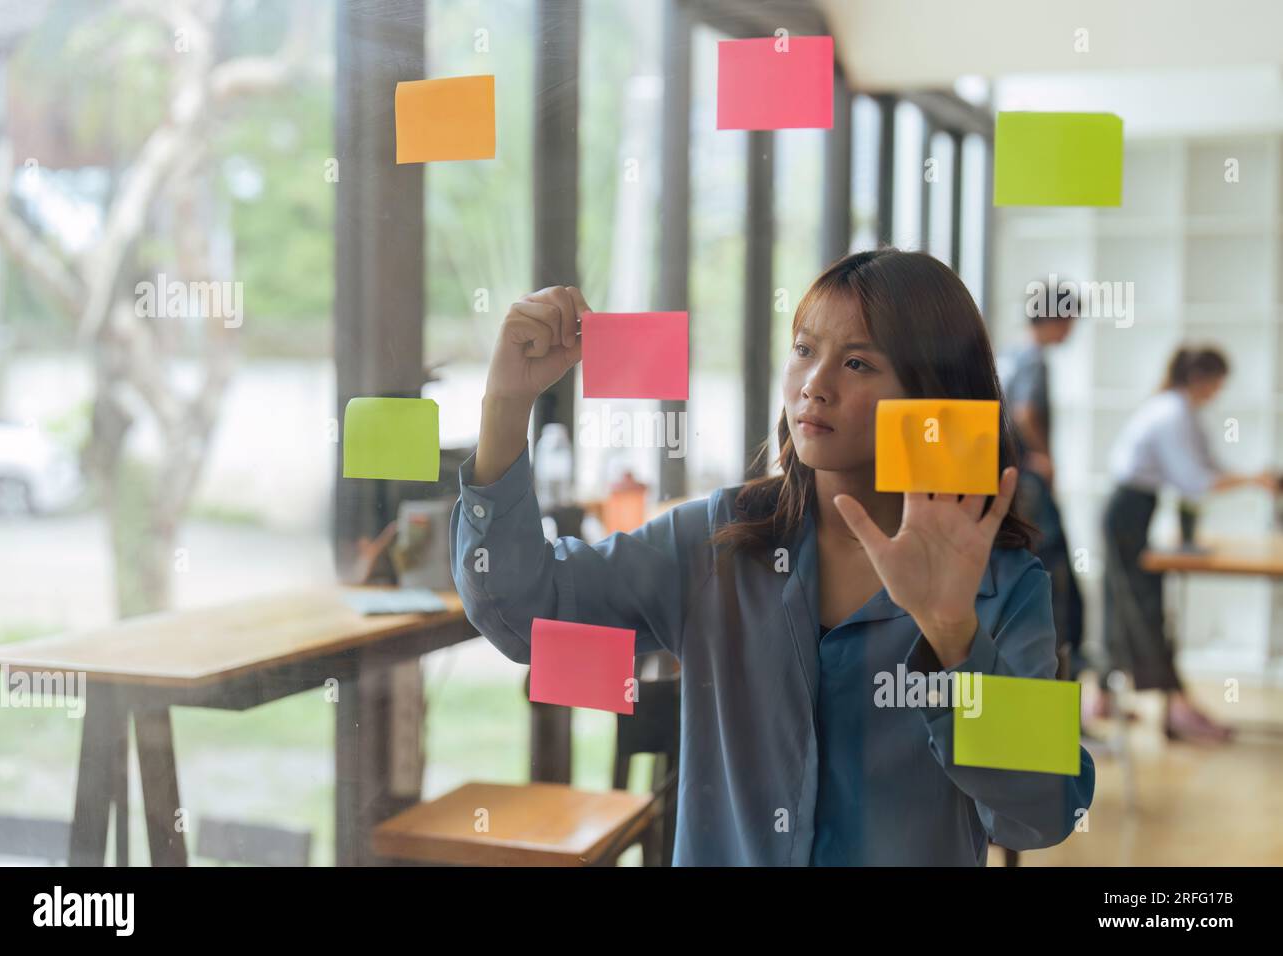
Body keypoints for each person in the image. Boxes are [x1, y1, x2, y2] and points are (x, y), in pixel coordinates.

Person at [452, 249, 1095, 865]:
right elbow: (524, 614)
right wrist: (507, 406)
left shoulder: (1004, 585)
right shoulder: (718, 541)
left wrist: (955, 639)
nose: (813, 385)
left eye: (859, 364)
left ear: (933, 396)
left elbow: (1040, 815)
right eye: (805, 350)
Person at [1102, 346, 1276, 743]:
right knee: (1139, 606)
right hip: (1128, 511)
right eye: (1218, 383)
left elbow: (1207, 467)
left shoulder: (1180, 411)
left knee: (1125, 601)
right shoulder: (1173, 413)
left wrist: (1251, 477)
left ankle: (1106, 698)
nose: (1219, 391)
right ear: (1202, 379)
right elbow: (1195, 482)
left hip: (1135, 509)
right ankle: (1177, 707)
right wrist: (1253, 481)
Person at [999, 277, 1085, 682]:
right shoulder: (1034, 359)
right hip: (1030, 479)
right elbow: (1026, 410)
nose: (1073, 329)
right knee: (1054, 579)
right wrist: (1045, 457)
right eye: (1071, 319)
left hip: (1011, 478)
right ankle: (1059, 681)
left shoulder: (1009, 353)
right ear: (1055, 317)